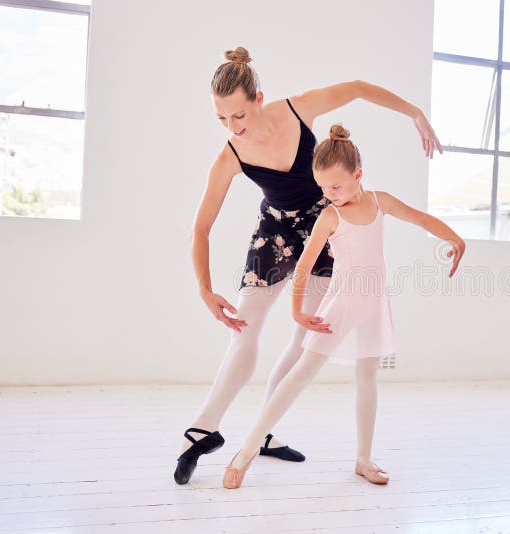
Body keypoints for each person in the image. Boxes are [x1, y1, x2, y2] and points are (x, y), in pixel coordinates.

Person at [175, 47, 443, 485]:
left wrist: (414, 112)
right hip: (275, 232)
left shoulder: (298, 111)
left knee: (306, 339)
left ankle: (262, 432)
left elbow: (357, 88)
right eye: (222, 120)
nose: (232, 128)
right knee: (244, 327)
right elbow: (200, 228)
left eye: (238, 116)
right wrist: (205, 290)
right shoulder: (230, 156)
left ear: (259, 98)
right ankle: (202, 430)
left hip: (324, 228)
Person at [222, 124, 465, 489]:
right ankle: (246, 452)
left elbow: (419, 218)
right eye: (322, 188)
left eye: (335, 186)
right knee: (302, 373)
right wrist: (297, 313)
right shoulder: (331, 216)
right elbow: (302, 267)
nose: (328, 194)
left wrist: (454, 237)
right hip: (341, 304)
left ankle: (364, 459)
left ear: (358, 175)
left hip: (374, 302)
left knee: (367, 379)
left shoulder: (380, 202)